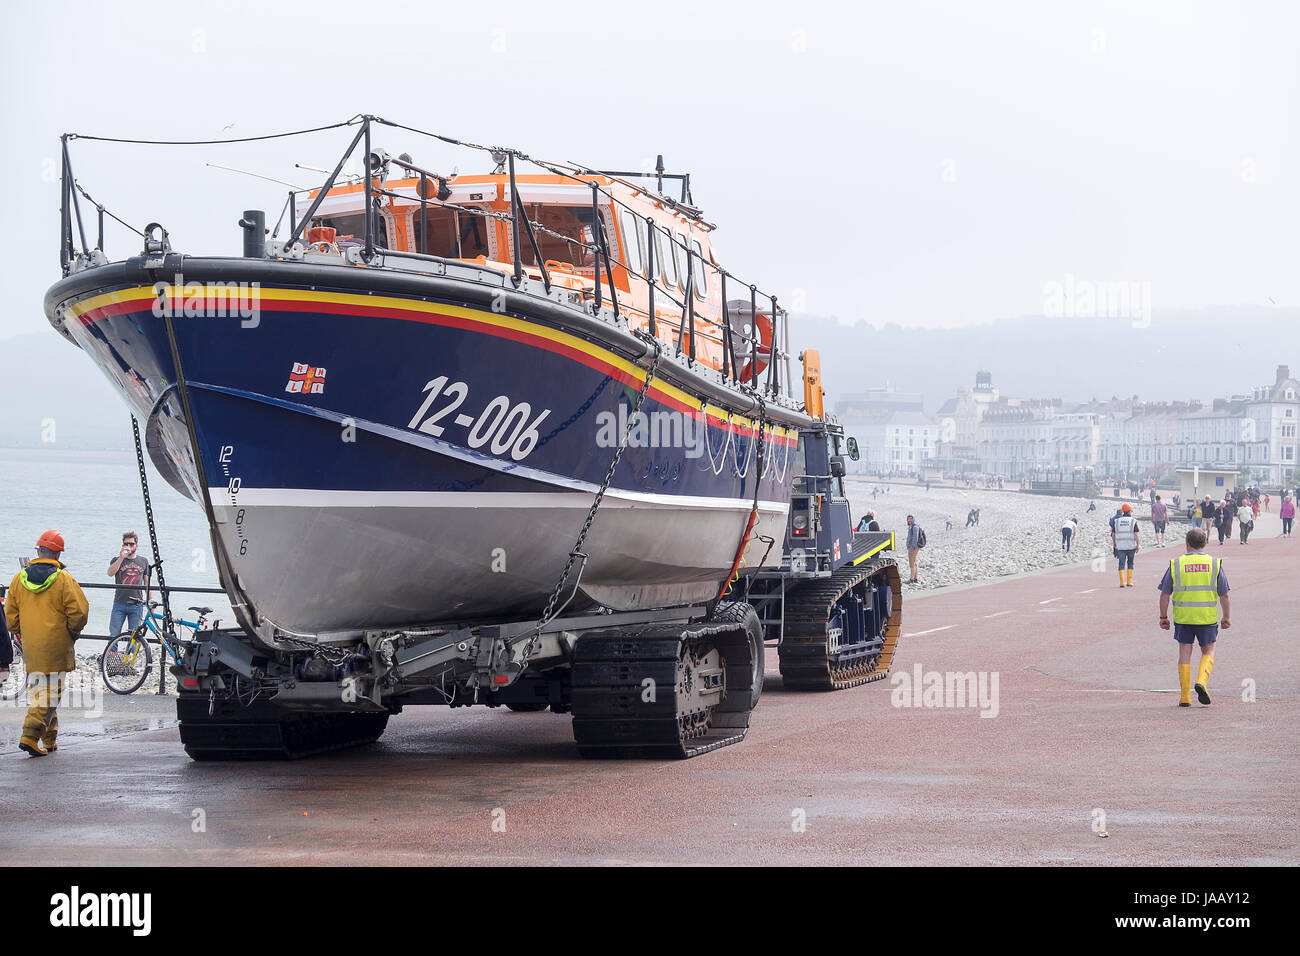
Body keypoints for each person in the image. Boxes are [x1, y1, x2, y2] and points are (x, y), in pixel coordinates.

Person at [5, 531, 89, 757]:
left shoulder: (18, 579)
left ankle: (49, 739)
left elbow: (10, 616)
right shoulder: (63, 579)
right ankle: (29, 736)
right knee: (50, 694)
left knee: (40, 692)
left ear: (39, 551)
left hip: (32, 646)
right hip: (57, 645)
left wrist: (21, 633)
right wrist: (72, 631)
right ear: (58, 553)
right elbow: (79, 613)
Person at [1157, 527, 1229, 707]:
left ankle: (1184, 697)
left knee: (1184, 652)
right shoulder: (1215, 564)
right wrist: (1226, 617)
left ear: (1186, 543)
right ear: (1205, 543)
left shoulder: (1176, 564)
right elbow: (1224, 595)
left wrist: (1163, 617)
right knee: (1209, 650)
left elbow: (1165, 594)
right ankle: (1202, 682)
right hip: (1206, 617)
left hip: (1183, 617)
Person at [107, 531, 151, 638]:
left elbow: (147, 584)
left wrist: (151, 604)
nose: (129, 546)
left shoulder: (144, 561)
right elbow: (110, 573)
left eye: (131, 544)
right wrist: (121, 557)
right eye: (126, 544)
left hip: (136, 604)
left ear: (136, 545)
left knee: (135, 636)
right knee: (114, 634)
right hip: (119, 603)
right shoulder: (116, 560)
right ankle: (112, 654)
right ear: (122, 545)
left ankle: (130, 655)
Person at [1111, 502, 1140, 587]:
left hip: (1120, 546)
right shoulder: (1133, 521)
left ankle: (1122, 582)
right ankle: (1129, 582)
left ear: (1123, 511)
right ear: (1130, 511)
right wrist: (1137, 545)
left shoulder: (1117, 521)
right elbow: (1136, 534)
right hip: (1131, 545)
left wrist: (1114, 544)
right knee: (1130, 563)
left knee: (1121, 563)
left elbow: (1113, 534)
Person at [904, 514, 925, 584]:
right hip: (913, 547)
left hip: (913, 547)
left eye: (910, 519)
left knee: (912, 563)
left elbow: (915, 538)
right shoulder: (911, 527)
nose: (909, 520)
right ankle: (915, 578)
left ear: (913, 519)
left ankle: (911, 579)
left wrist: (912, 547)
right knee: (915, 562)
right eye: (908, 519)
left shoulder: (915, 527)